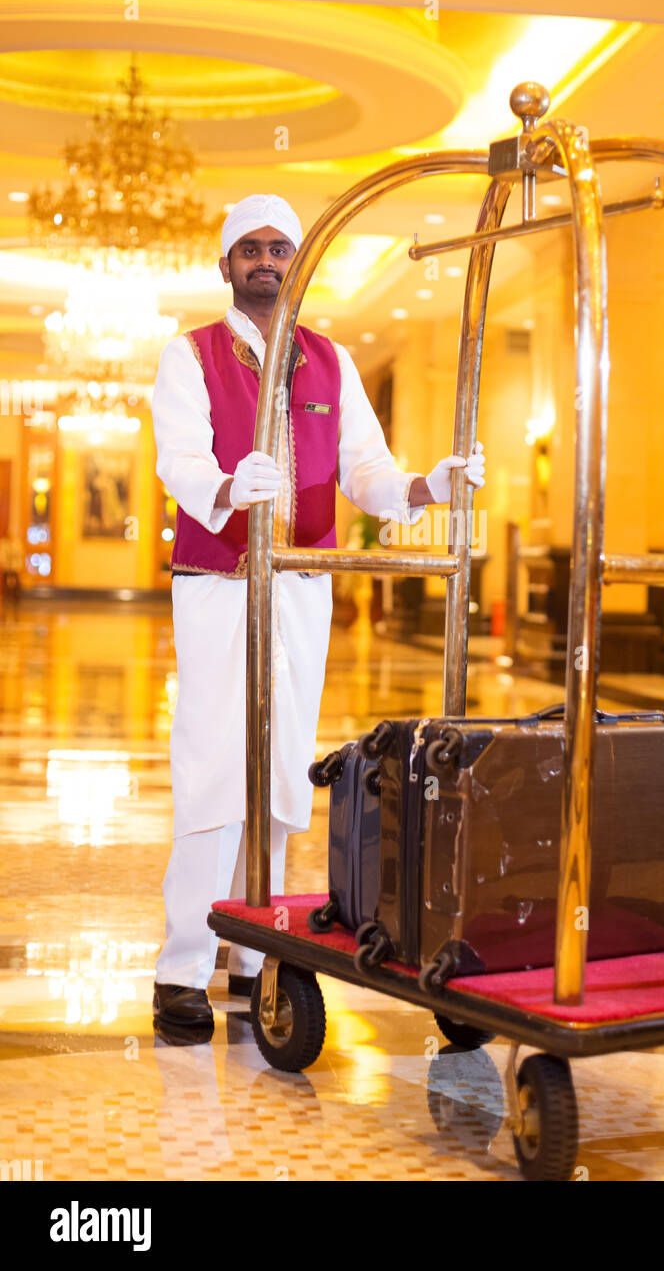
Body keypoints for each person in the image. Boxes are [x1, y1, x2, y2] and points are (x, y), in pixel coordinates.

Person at [150, 193, 485, 1035]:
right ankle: (182, 968)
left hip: (303, 586)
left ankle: (256, 956)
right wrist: (228, 488)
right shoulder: (188, 355)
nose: (266, 260)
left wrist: (425, 487)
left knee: (280, 763)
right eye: (250, 249)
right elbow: (179, 460)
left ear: (298, 262)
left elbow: (366, 471)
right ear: (226, 264)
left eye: (280, 248)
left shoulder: (332, 360)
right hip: (220, 584)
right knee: (214, 766)